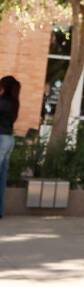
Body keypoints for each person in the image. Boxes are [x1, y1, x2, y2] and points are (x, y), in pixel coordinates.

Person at [0, 75, 20, 219]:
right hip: (9, 139)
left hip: (1, 139)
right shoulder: (14, 102)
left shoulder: (1, 102)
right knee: (2, 178)